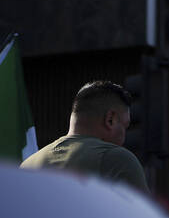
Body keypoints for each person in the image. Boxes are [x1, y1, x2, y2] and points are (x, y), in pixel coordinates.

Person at [21, 80, 149, 193]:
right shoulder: (117, 160)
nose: (124, 137)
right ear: (110, 120)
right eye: (125, 126)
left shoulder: (27, 165)